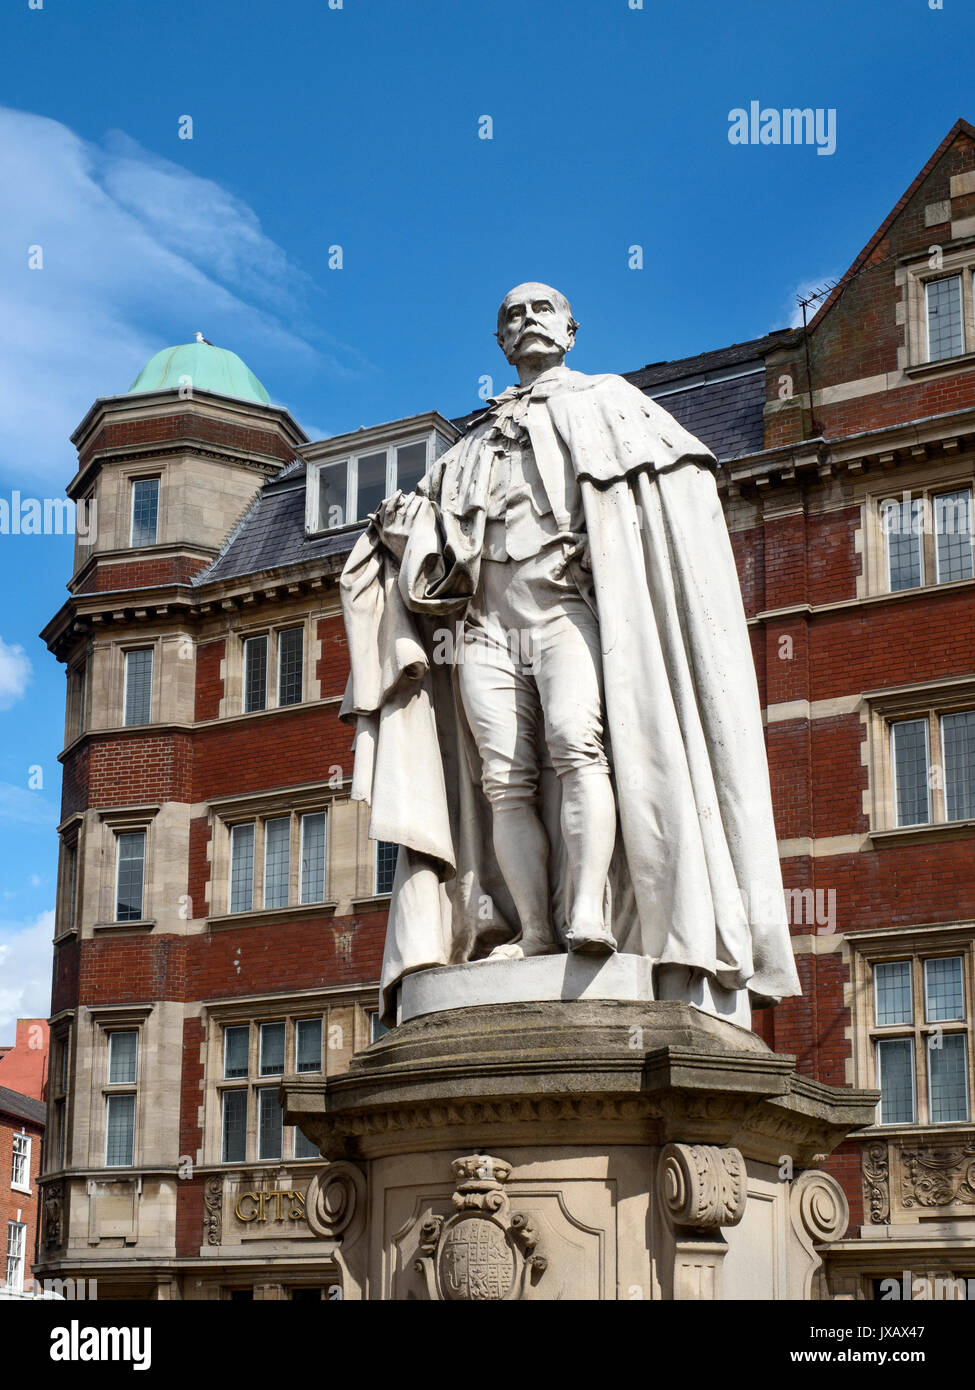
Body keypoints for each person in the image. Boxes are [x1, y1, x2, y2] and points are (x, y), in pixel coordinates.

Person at [340, 283, 801, 1025]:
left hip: (563, 612)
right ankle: (537, 931)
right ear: (499, 343)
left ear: (570, 329)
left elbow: (680, 491)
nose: (525, 322)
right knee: (500, 782)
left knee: (577, 748)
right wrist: (403, 537)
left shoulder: (610, 406)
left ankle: (588, 910)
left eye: (539, 310)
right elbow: (417, 560)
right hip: (482, 628)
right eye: (510, 316)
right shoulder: (464, 450)